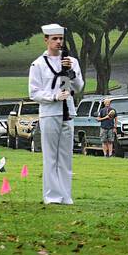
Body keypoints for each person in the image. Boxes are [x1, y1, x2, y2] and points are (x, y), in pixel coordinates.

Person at [28, 23, 83, 205]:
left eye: (61, 38)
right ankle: (52, 196)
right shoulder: (38, 64)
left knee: (66, 156)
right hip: (49, 112)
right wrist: (53, 97)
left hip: (68, 112)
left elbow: (79, 86)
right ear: (46, 40)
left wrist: (71, 72)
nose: (59, 42)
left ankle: (65, 195)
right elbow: (33, 92)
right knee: (51, 157)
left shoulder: (71, 61)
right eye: (55, 39)